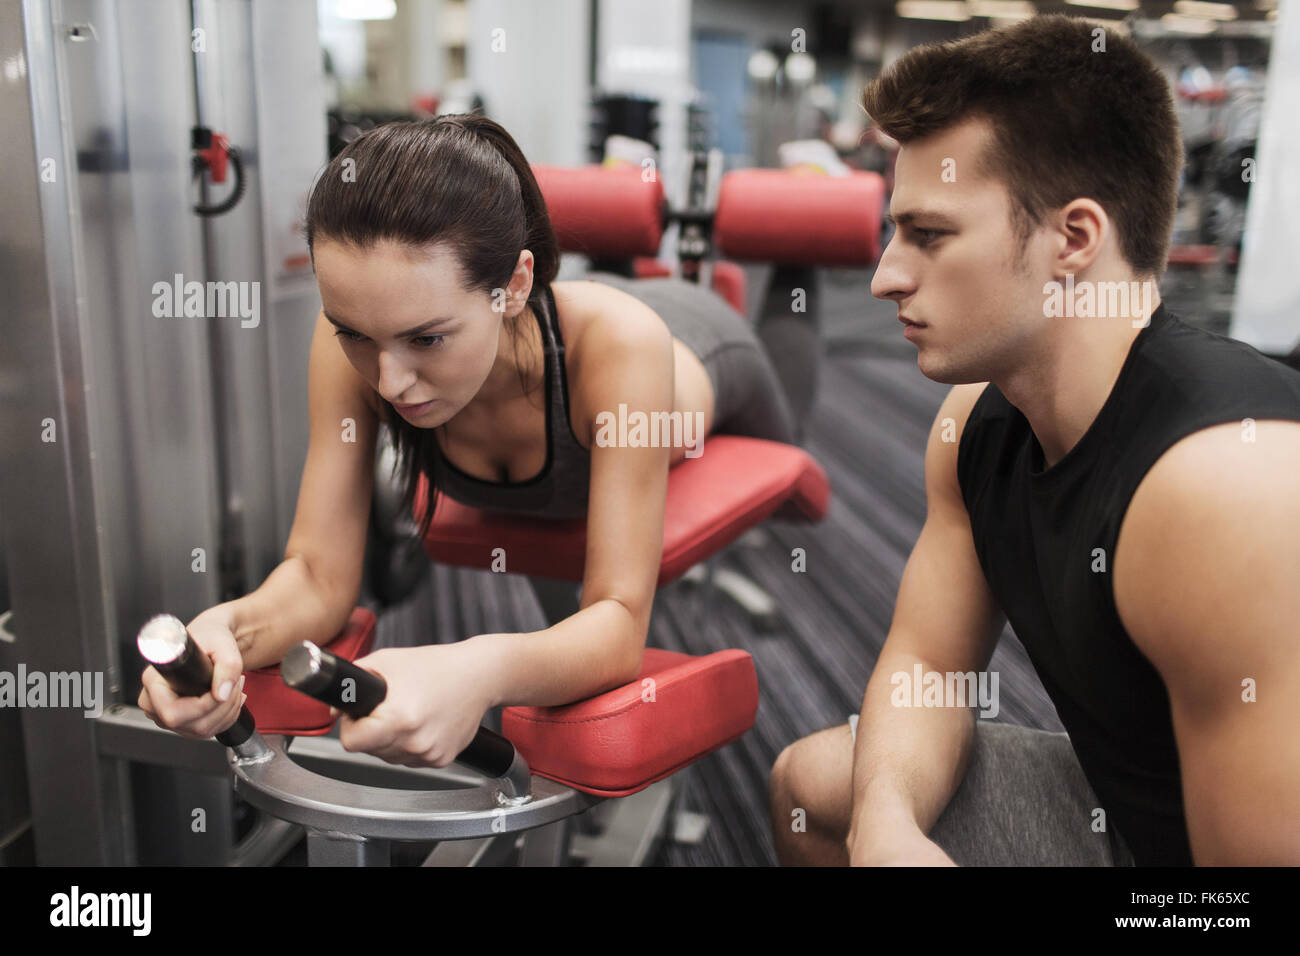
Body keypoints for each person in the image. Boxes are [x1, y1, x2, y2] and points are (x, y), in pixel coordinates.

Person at [770, 15, 1300, 867]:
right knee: (818, 788)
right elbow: (931, 668)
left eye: (929, 235)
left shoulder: (1222, 488)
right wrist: (889, 826)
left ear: (1074, 240)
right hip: (1131, 813)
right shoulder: (977, 424)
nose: (884, 276)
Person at [138, 113, 797, 769]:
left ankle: (803, 245)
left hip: (700, 344)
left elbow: (619, 620)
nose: (390, 381)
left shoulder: (623, 346)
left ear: (512, 286)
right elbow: (318, 574)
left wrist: (479, 668)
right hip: (536, 322)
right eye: (357, 335)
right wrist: (227, 629)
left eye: (427, 339)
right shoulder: (360, 330)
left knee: (795, 431)